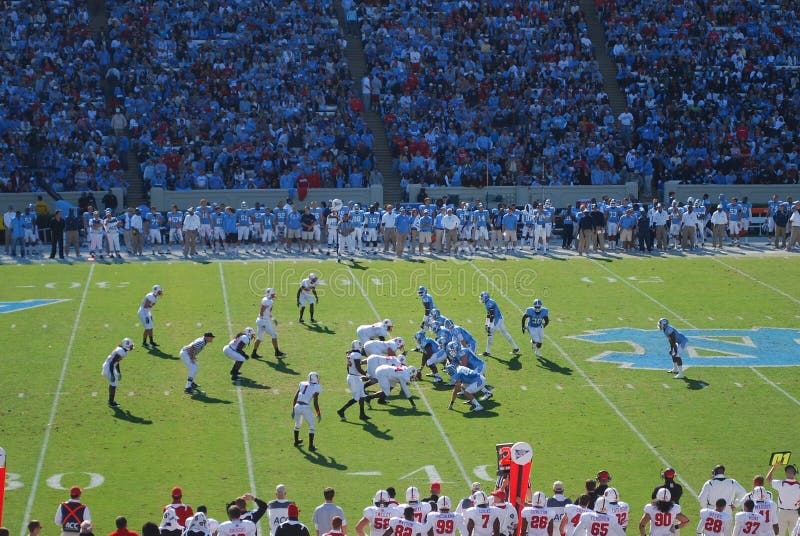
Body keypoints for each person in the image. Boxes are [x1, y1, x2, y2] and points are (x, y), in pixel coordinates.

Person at [337, 341, 371, 422]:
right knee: (356, 398)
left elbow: (348, 366)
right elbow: (358, 368)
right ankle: (341, 410)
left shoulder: (350, 354)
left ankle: (362, 414)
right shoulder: (356, 355)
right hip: (354, 378)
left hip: (353, 377)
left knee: (362, 396)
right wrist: (366, 375)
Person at [480, 292, 520, 356]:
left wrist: (489, 325)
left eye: (482, 298)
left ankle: (487, 352)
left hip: (497, 320)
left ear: (485, 298)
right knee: (505, 333)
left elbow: (492, 316)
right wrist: (486, 324)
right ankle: (516, 348)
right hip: (500, 318)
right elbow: (489, 314)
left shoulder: (489, 304)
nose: (481, 299)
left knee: (490, 333)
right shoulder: (488, 302)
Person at [766, 463, 800, 536]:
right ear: (795, 473)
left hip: (782, 513)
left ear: (786, 473)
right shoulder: (799, 486)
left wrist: (774, 467)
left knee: (779, 534)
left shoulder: (780, 484)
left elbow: (768, 478)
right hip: (795, 513)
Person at [252, 288, 286, 359]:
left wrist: (273, 319)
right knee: (274, 335)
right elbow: (262, 310)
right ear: (270, 294)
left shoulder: (266, 299)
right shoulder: (268, 301)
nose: (274, 295)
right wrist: (263, 321)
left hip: (261, 320)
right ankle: (277, 352)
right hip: (263, 321)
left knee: (259, 337)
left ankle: (253, 353)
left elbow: (267, 312)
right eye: (273, 294)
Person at [292, 372, 323, 451]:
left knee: (298, 424)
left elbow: (295, 398)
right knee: (312, 426)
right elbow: (315, 402)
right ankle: (311, 446)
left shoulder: (302, 384)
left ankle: (296, 441)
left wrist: (293, 409)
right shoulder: (317, 387)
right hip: (305, 407)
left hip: (297, 406)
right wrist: (318, 413)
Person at [102, 338, 135, 408]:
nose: (132, 347)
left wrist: (119, 372)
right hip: (109, 367)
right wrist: (112, 375)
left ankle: (111, 401)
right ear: (126, 346)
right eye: (131, 346)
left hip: (110, 366)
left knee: (114, 384)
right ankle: (111, 402)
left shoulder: (122, 350)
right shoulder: (121, 352)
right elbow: (112, 363)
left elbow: (117, 362)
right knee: (113, 384)